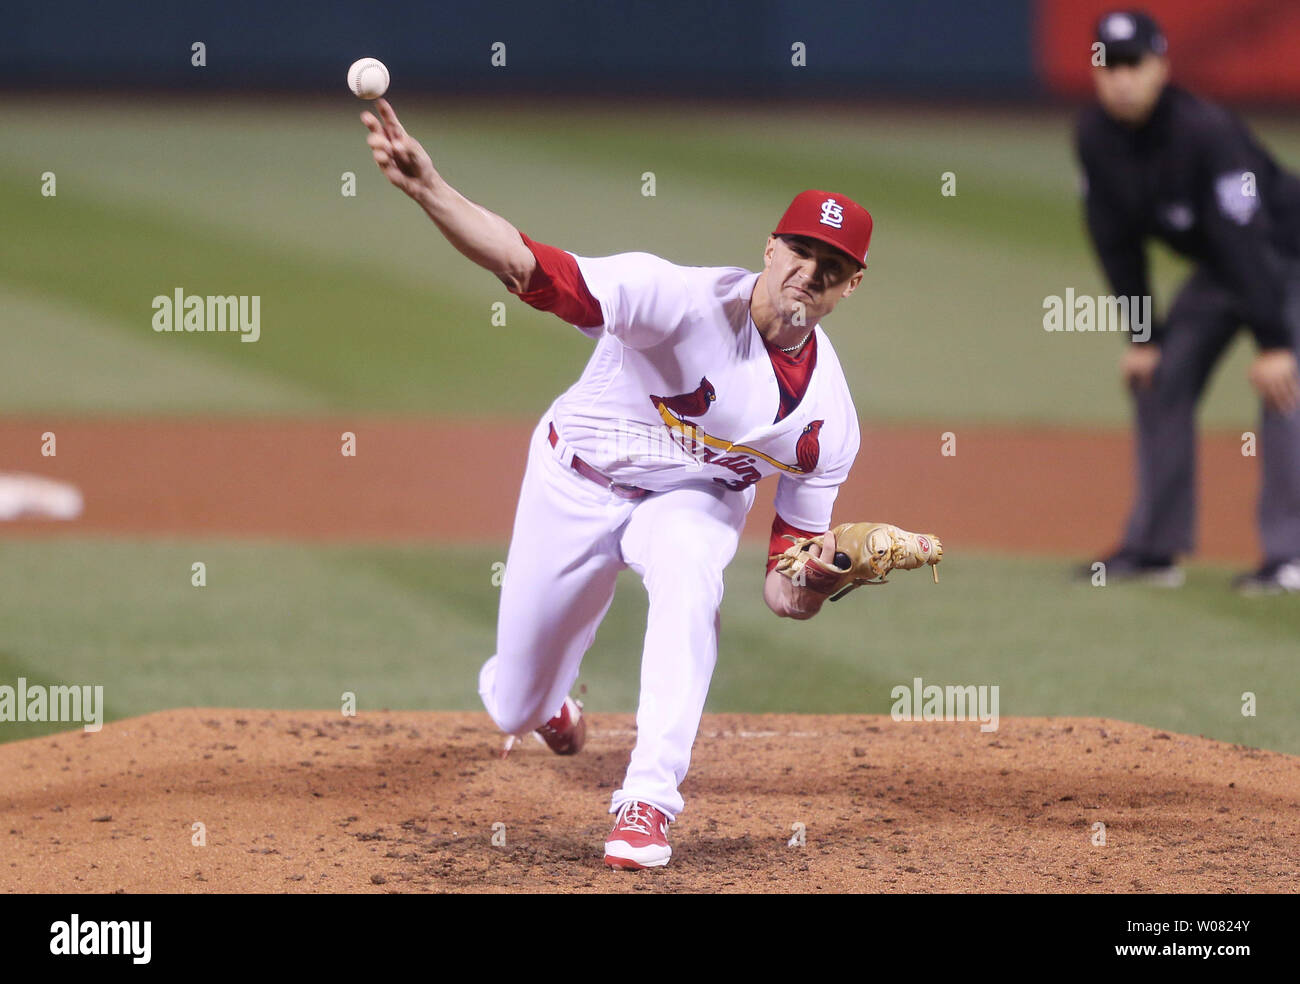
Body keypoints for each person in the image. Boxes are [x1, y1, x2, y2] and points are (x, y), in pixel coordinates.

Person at [361, 99, 869, 868]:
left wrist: (827, 576)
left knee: (694, 575)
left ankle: (647, 803)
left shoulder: (829, 422)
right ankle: (546, 699)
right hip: (572, 480)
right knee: (513, 705)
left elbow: (784, 590)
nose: (810, 271)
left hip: (687, 504)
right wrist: (432, 189)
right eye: (799, 248)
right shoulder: (674, 300)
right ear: (769, 248)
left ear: (850, 285)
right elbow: (530, 267)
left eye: (831, 264)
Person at [1075, 9, 1300, 594]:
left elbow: (1244, 237)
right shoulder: (1095, 136)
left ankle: (1290, 556)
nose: (1121, 77)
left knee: (1285, 389)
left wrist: (1274, 342)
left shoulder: (1206, 132)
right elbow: (1116, 245)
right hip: (1225, 266)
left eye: (1134, 64)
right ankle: (1155, 549)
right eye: (1109, 65)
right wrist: (1143, 337)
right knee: (1160, 378)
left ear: (1161, 67)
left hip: (1283, 254)